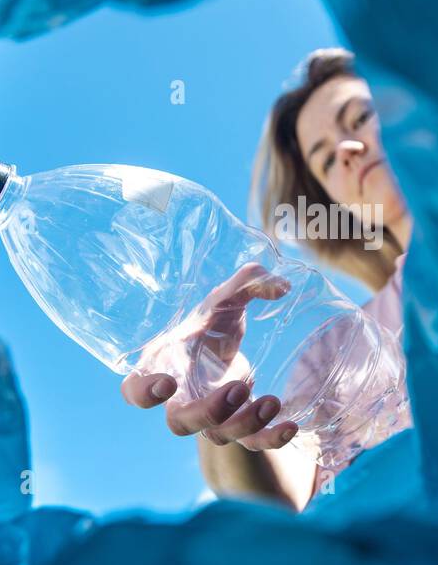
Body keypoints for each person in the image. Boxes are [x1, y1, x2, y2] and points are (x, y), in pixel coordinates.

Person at [119, 49, 412, 511]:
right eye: (326, 162)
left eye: (359, 118)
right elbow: (284, 502)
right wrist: (219, 398)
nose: (346, 151)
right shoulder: (337, 343)